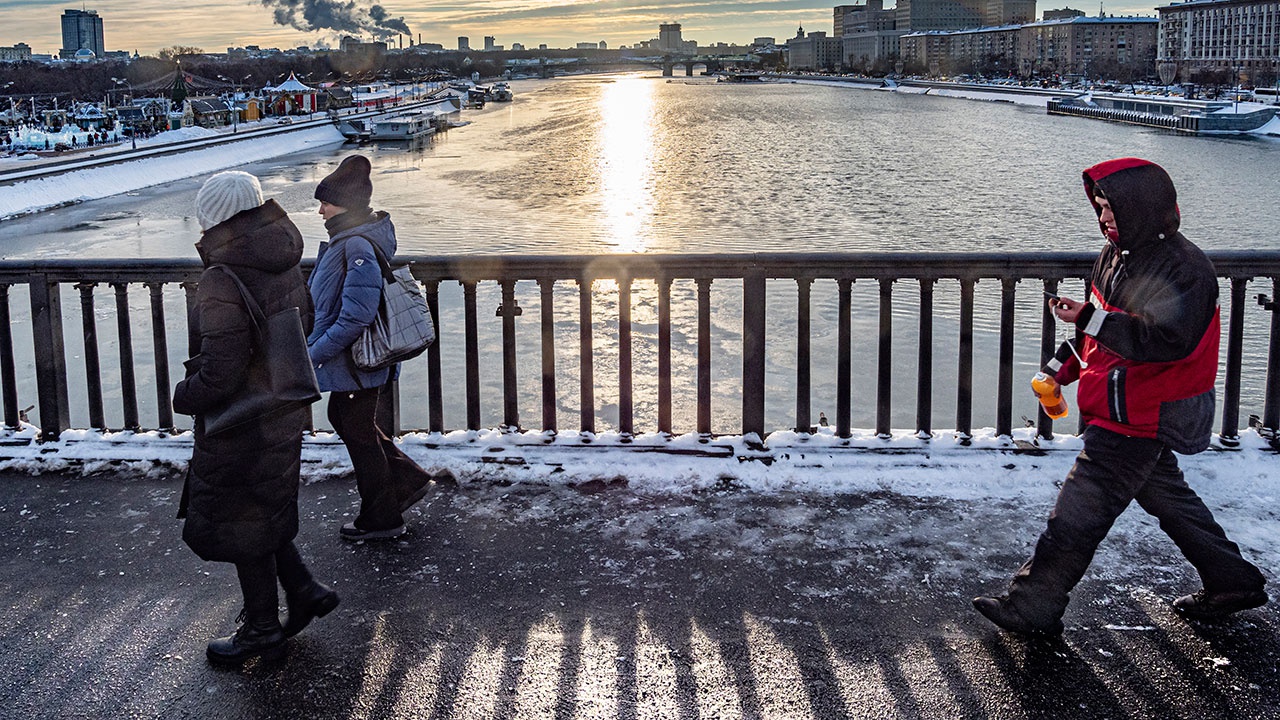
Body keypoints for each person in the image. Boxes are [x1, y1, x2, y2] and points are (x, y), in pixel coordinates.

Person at [973, 158, 1267, 636]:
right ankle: (1233, 581)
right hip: (1120, 403)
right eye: (1101, 207)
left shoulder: (1187, 270)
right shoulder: (1115, 254)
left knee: (1077, 513)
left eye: (1111, 208)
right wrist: (1059, 368)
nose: (1104, 217)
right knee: (1168, 497)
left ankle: (1032, 607)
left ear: (1142, 208)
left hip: (1144, 413)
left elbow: (1164, 343)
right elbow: (1103, 332)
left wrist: (1087, 320)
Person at [174, 171, 339, 666]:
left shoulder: (224, 277)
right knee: (263, 510)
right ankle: (303, 590)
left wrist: (186, 394)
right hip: (281, 411)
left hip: (241, 422)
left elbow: (221, 373)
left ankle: (263, 630)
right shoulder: (281, 259)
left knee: (244, 521)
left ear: (216, 216)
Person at [306, 154, 434, 541]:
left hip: (358, 360)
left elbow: (356, 316)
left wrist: (314, 353)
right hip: (352, 360)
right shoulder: (348, 241)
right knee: (349, 422)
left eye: (325, 203)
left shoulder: (356, 245)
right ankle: (406, 481)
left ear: (345, 204)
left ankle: (382, 516)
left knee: (356, 429)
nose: (321, 211)